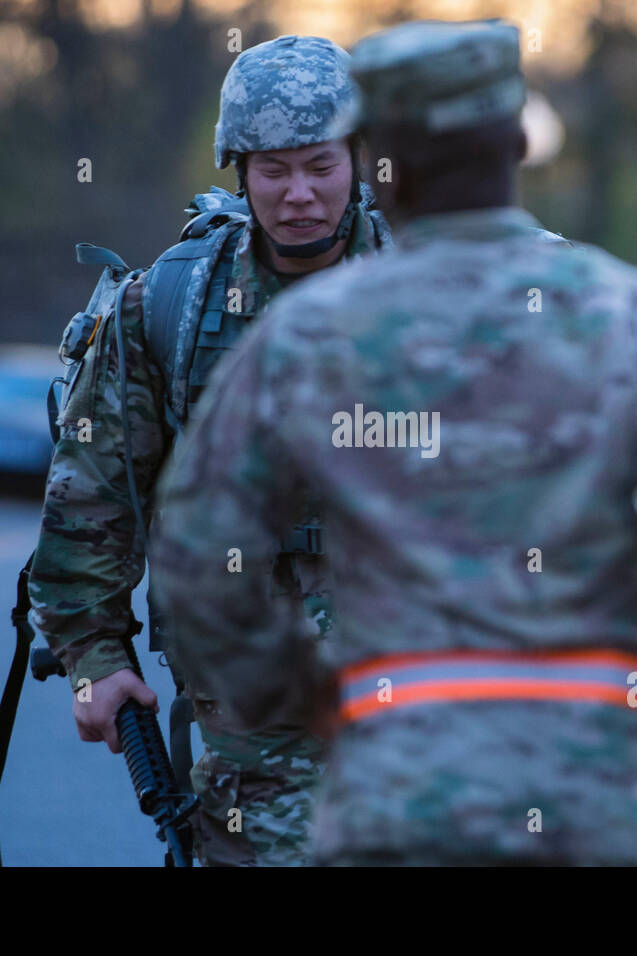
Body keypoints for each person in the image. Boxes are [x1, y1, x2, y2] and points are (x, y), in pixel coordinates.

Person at [150, 19, 637, 865]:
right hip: (593, 809)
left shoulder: (303, 340)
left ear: (380, 162)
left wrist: (310, 703)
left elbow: (197, 560)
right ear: (521, 143)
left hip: (393, 803)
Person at [28, 34, 391, 866]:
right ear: (239, 170)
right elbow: (91, 499)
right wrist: (96, 658)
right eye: (273, 170)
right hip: (250, 723)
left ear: (357, 159)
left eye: (320, 165)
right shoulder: (168, 309)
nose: (299, 194)